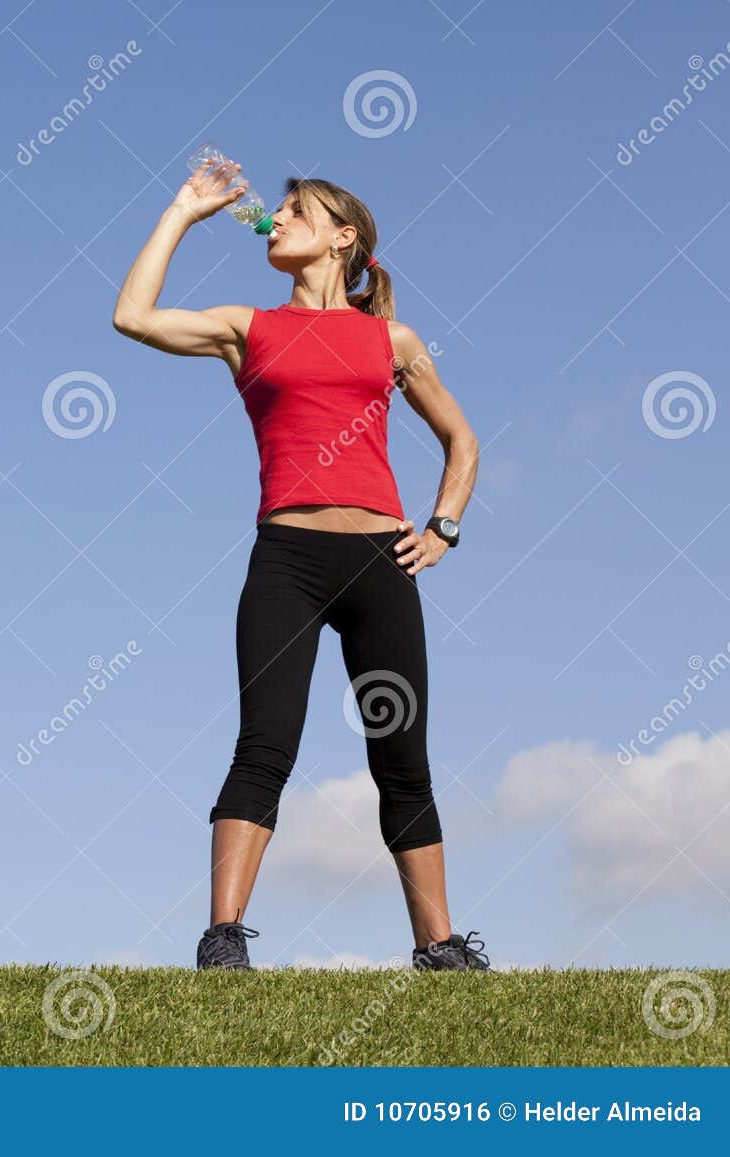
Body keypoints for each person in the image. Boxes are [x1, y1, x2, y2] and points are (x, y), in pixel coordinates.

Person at [111, 155, 489, 971]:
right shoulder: (248, 327)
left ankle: (440, 946)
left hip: (381, 564)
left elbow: (462, 440)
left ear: (342, 238)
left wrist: (443, 528)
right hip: (288, 559)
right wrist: (183, 210)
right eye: (274, 212)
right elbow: (133, 316)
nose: (275, 221)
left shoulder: (394, 340)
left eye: (295, 211)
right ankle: (222, 940)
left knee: (402, 756)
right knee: (265, 744)